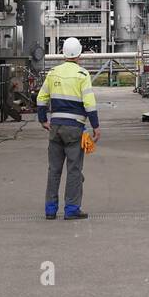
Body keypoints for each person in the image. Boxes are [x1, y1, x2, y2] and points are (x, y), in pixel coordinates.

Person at [37, 37, 100, 220]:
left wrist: (43, 120)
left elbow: (41, 98)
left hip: (55, 127)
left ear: (63, 53)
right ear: (79, 54)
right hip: (74, 129)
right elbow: (89, 103)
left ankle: (50, 209)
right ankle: (71, 209)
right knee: (74, 169)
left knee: (54, 169)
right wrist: (96, 126)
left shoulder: (53, 72)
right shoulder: (82, 75)